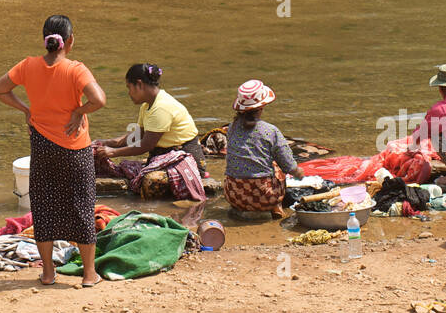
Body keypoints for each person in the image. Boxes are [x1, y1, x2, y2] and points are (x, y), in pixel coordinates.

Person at [0, 14, 106, 287]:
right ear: (70, 41)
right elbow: (99, 99)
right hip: (74, 147)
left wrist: (25, 109)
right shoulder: (76, 69)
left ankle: (47, 273)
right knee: (81, 205)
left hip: (42, 144)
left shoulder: (28, 66)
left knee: (43, 205)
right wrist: (79, 111)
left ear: (46, 41)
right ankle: (89, 275)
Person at [94, 64, 205, 172]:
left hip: (185, 161)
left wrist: (113, 152)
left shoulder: (162, 107)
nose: (129, 93)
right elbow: (137, 136)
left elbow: (145, 145)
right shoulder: (147, 106)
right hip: (165, 156)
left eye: (129, 87)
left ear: (139, 84)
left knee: (149, 182)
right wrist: (106, 143)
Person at [223, 80, 304, 218]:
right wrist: (298, 172)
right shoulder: (270, 130)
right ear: (262, 106)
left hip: (233, 195)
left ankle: (240, 210)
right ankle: (276, 207)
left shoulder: (232, 127)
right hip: (264, 198)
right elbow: (288, 164)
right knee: (276, 166)